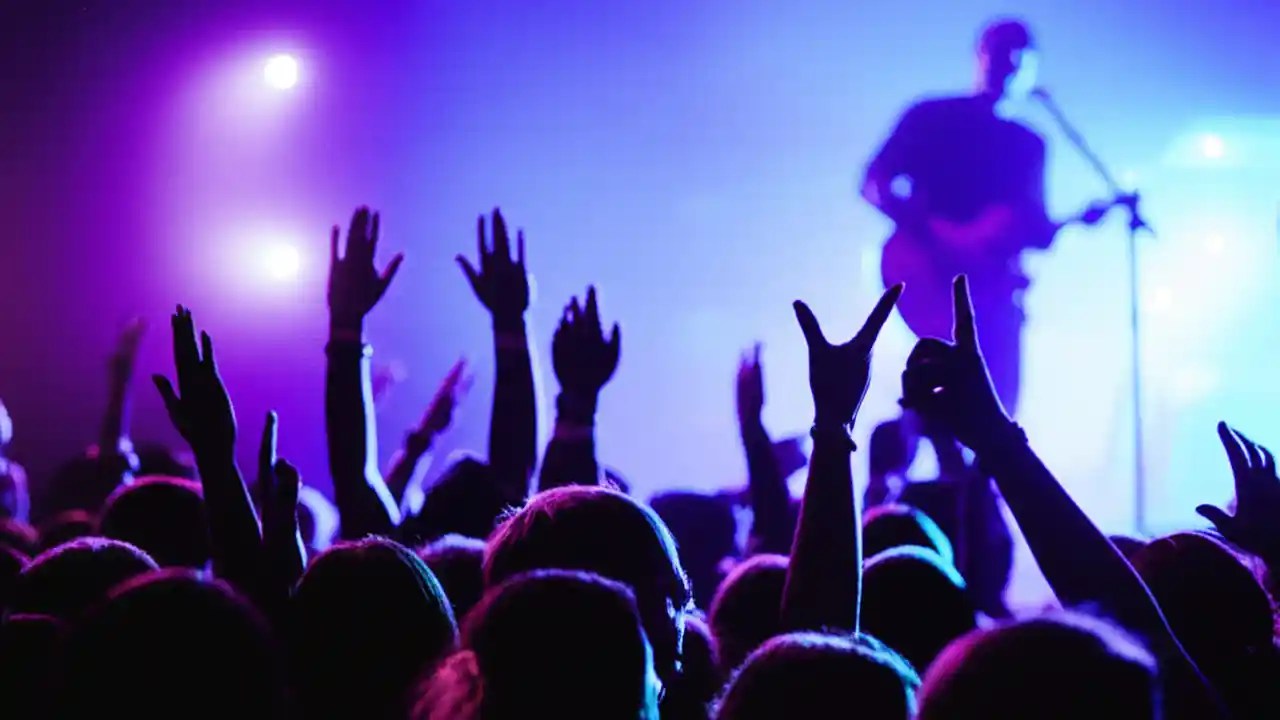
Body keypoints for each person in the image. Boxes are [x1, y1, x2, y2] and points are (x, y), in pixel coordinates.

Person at [863, 18, 1051, 416]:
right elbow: (875, 182)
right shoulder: (931, 117)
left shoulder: (1029, 144)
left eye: (1021, 57)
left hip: (994, 291)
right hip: (927, 276)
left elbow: (1036, 230)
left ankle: (973, 472)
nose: (1012, 64)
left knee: (999, 411)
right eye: (1003, 53)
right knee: (936, 388)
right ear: (981, 55)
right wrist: (936, 232)